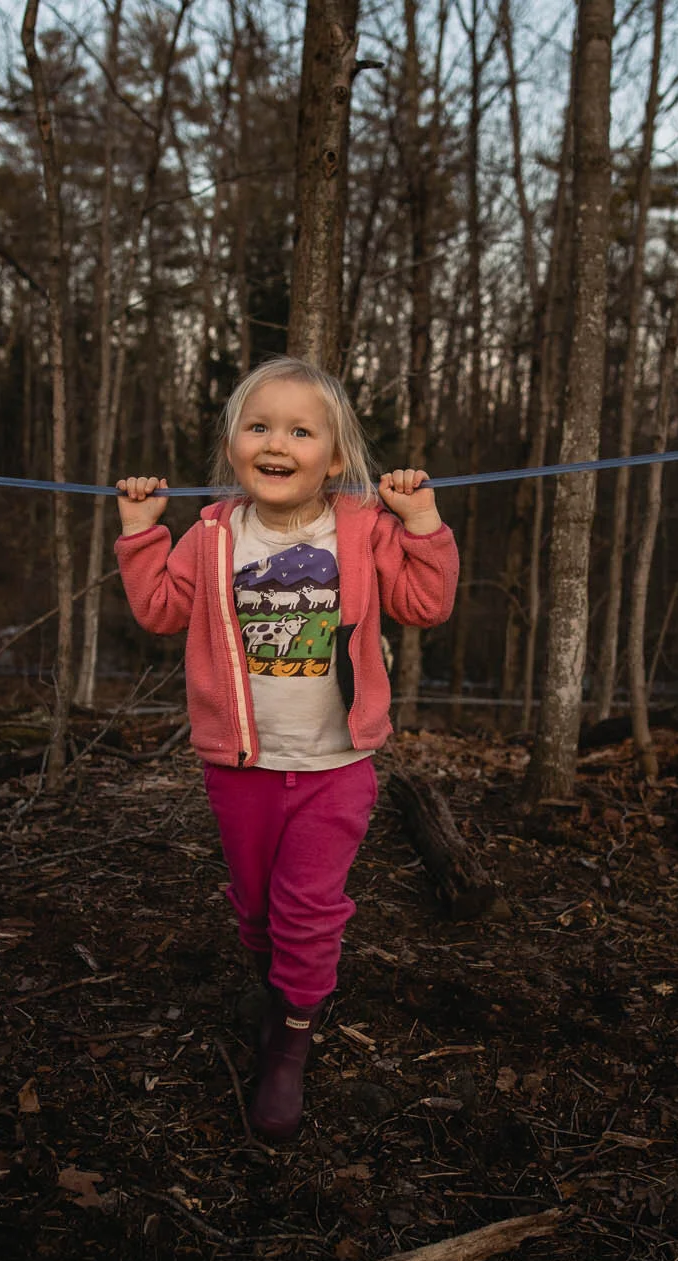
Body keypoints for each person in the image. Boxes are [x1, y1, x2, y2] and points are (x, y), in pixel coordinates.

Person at [114, 356, 459, 1141]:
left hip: (337, 765)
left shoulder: (363, 527)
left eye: (301, 430)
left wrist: (421, 524)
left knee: (308, 911)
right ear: (235, 443)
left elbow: (426, 600)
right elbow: (164, 611)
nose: (278, 442)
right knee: (257, 909)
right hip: (239, 766)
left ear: (334, 459)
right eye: (259, 425)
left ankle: (289, 1049)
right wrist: (140, 537)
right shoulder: (209, 535)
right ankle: (276, 990)